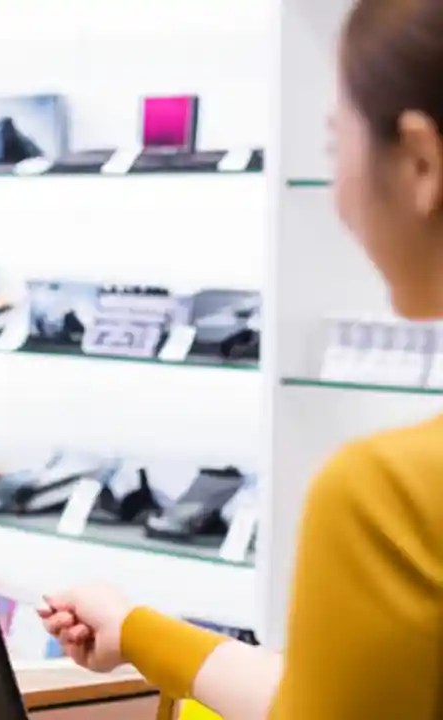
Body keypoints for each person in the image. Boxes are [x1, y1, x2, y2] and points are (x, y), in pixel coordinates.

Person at [39, 1, 443, 718]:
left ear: (420, 162)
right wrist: (135, 632)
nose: (341, 196)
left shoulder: (390, 500)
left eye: (333, 143)